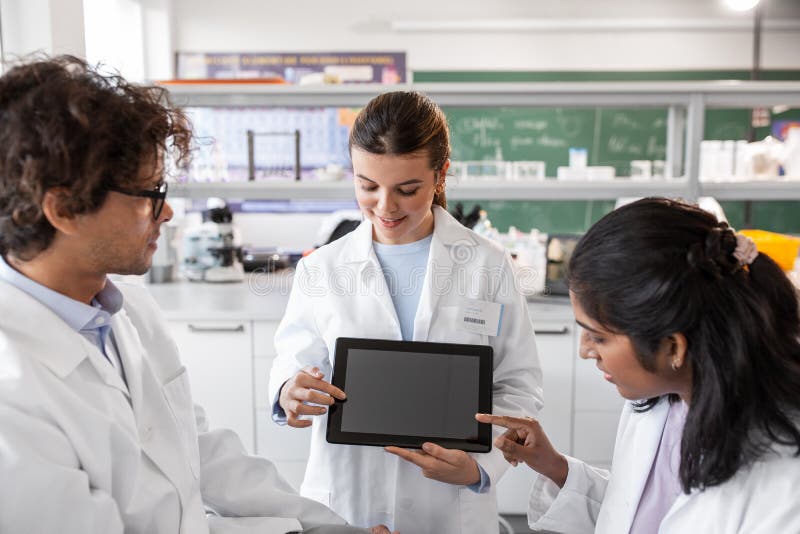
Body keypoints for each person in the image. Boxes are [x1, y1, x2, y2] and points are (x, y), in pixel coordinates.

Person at [0, 55, 394, 534]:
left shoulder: (127, 311)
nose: (166, 213)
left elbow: (200, 455)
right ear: (63, 208)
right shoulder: (12, 391)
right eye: (149, 194)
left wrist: (333, 530)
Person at [268, 90, 544, 534]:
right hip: (349, 500)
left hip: (449, 506)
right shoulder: (322, 268)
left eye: (407, 189)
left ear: (440, 175)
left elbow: (518, 382)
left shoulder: (489, 265)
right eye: (368, 186)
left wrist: (480, 465)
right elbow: (294, 360)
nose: (385, 206)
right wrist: (289, 390)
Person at [477, 197, 800, 533]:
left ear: (673, 347)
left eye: (598, 337)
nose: (585, 351)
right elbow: (636, 511)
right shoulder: (661, 403)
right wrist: (555, 467)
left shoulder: (783, 484)